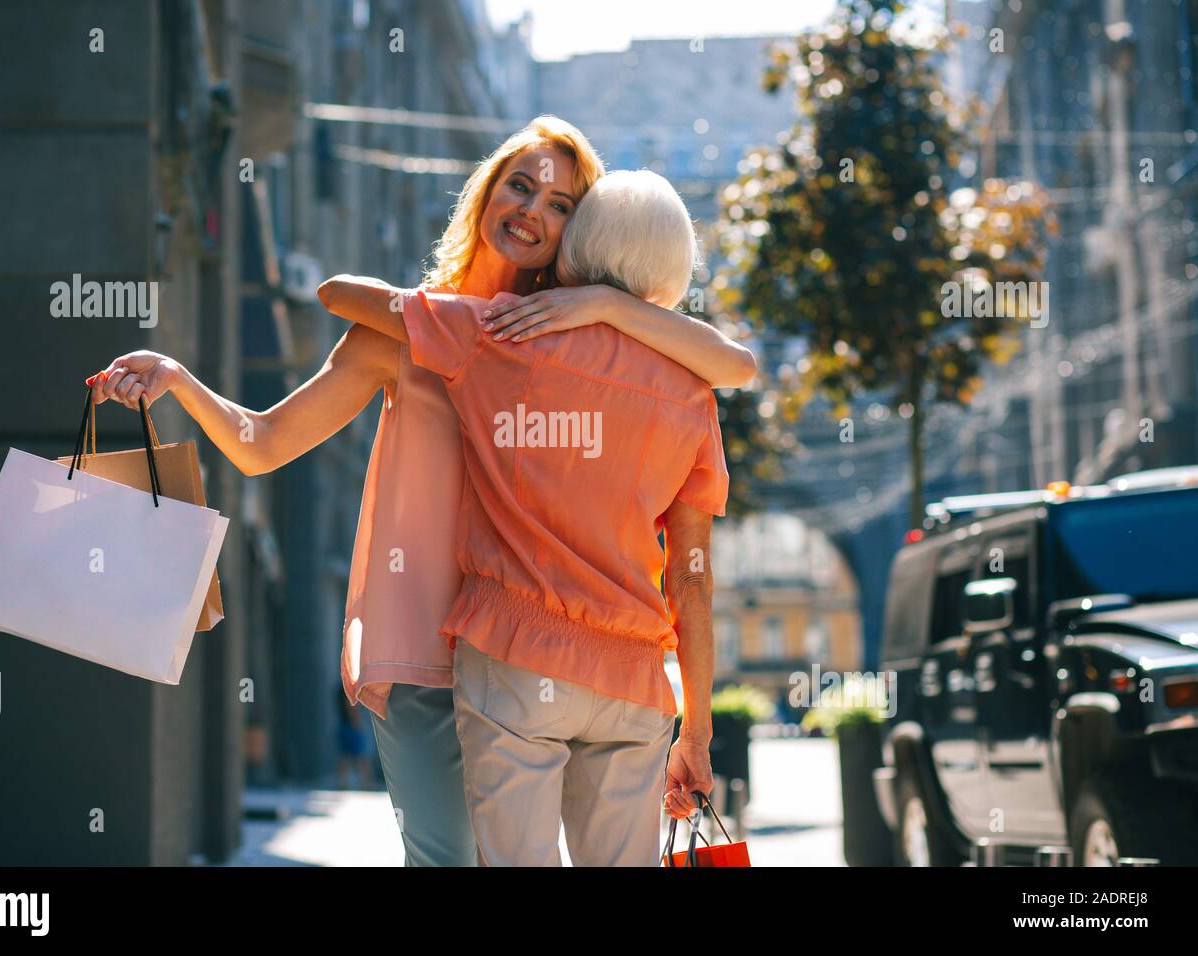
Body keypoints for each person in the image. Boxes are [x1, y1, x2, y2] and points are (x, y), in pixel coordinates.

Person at [85, 117, 755, 867]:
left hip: (531, 645)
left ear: (583, 229)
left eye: (563, 203)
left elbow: (730, 364)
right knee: (445, 859)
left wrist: (605, 306)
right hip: (424, 641)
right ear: (486, 193)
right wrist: (177, 380)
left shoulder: (586, 349)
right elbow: (261, 444)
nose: (535, 210)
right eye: (521, 186)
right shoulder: (407, 330)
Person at [317, 169, 728, 866]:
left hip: (515, 653)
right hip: (633, 675)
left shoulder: (498, 335)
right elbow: (691, 579)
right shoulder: (691, 389)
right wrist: (697, 735)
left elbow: (339, 296)